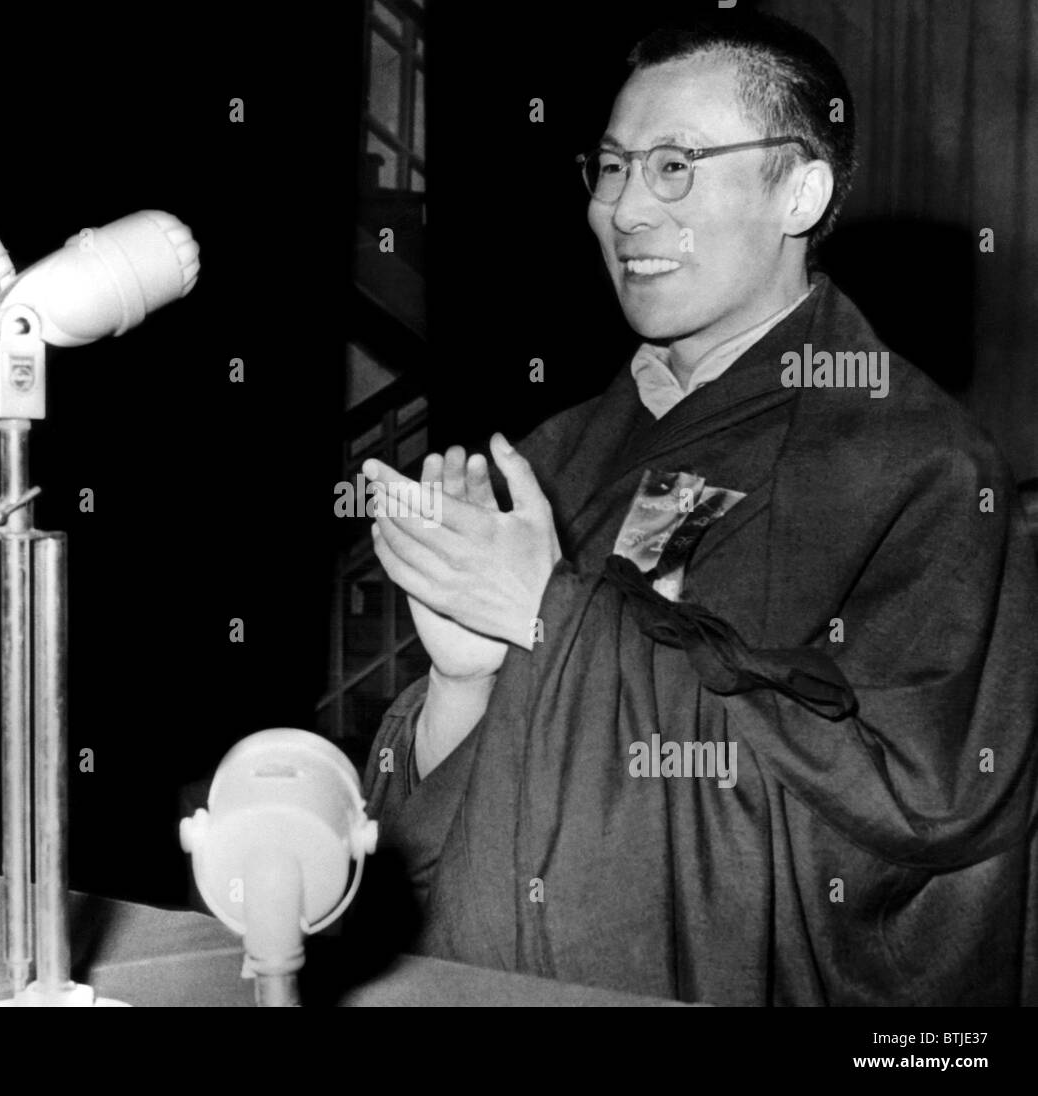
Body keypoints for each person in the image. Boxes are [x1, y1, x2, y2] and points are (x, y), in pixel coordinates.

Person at [357, 12, 1038, 1006]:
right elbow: (443, 842)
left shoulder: (920, 469)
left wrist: (559, 625)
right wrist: (470, 682)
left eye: (675, 166)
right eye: (611, 166)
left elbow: (918, 814)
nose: (624, 209)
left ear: (798, 190)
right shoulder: (559, 452)